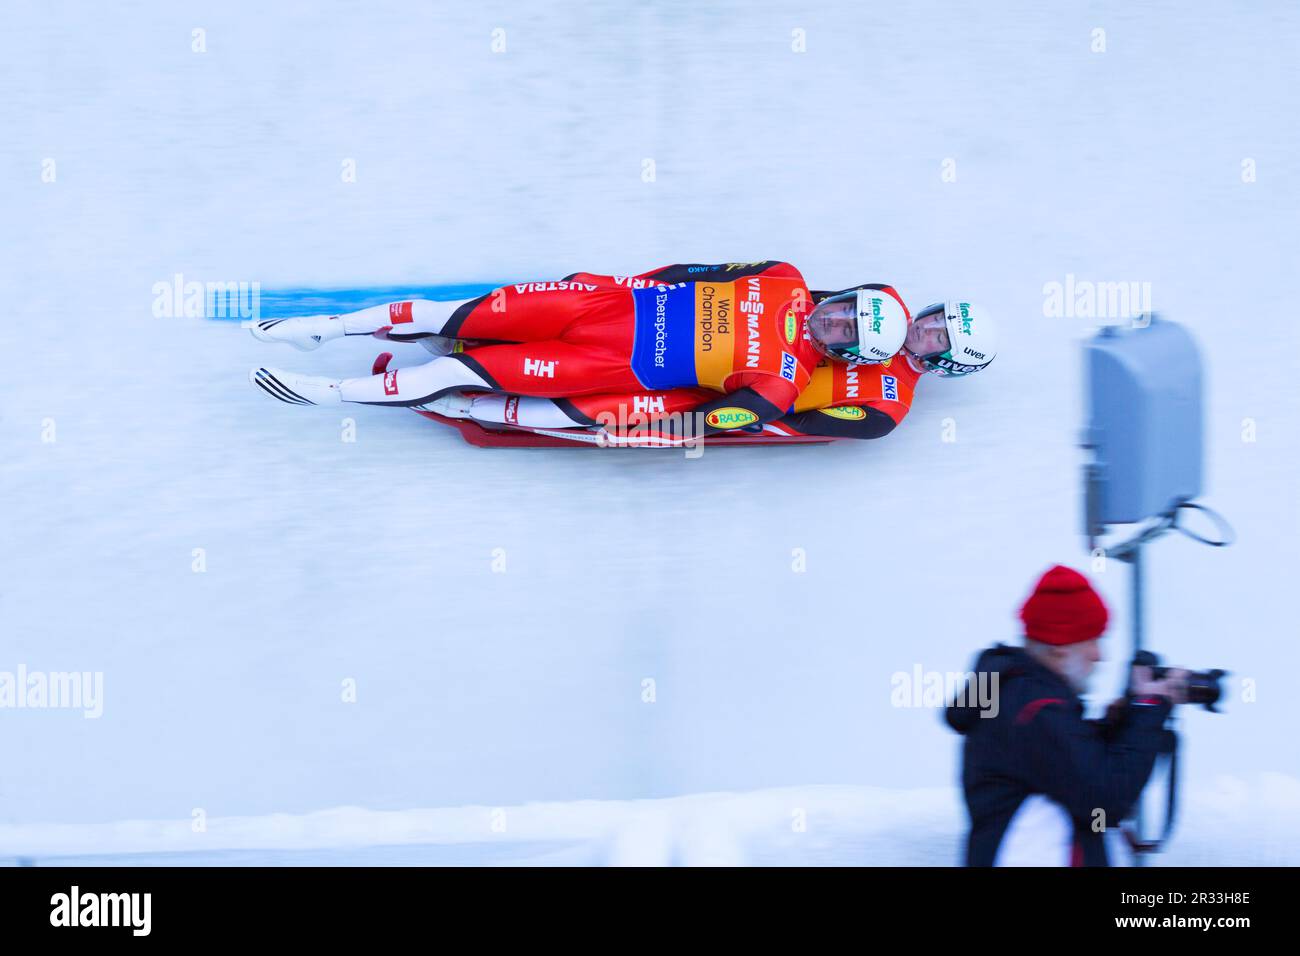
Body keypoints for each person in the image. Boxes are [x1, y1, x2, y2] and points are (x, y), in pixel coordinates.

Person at [248, 261, 909, 438]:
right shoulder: (784, 278)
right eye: (847, 306)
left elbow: (708, 422)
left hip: (601, 367)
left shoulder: (781, 383)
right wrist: (615, 285)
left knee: (455, 368)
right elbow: (693, 272)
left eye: (849, 330)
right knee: (443, 312)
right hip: (599, 306)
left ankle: (332, 395)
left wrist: (622, 422)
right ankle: (327, 328)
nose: (838, 319)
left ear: (850, 353)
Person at [420, 296, 998, 441]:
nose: (925, 330)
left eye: (939, 338)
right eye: (934, 318)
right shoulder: (883, 303)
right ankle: (479, 338)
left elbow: (792, 426)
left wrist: (710, 423)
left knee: (614, 414)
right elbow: (820, 309)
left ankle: (477, 403)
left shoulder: (888, 408)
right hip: (729, 350)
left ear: (943, 363)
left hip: (732, 398)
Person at [944, 565, 1185, 866]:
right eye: (1092, 640)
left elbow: (1068, 770)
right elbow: (1104, 797)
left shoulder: (1020, 698)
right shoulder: (1033, 709)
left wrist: (1119, 725)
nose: (1100, 655)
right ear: (1059, 648)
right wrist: (1149, 709)